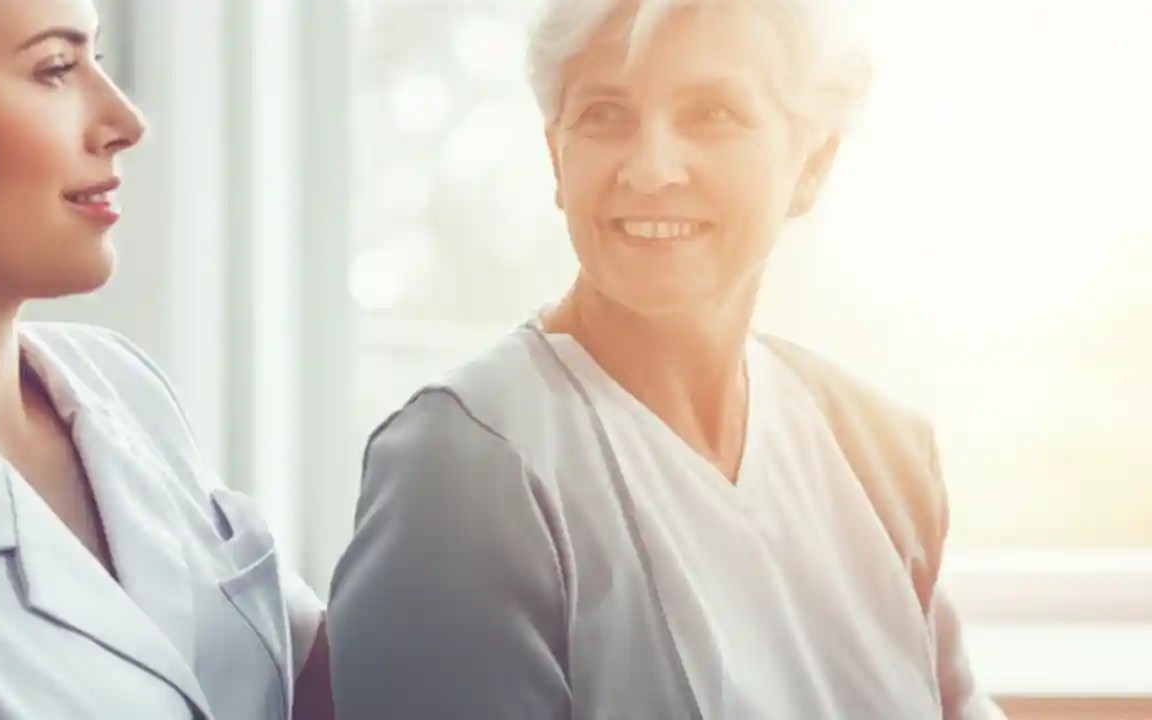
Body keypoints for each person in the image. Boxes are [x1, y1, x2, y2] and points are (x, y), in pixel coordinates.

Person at [327, 0, 1004, 717]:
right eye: (604, 115)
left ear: (811, 164)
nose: (650, 169)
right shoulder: (466, 465)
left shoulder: (881, 452)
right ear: (558, 158)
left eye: (710, 114)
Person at [0, 1, 330, 717]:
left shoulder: (120, 387)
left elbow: (329, 677)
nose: (127, 122)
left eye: (99, 60)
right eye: (55, 69)